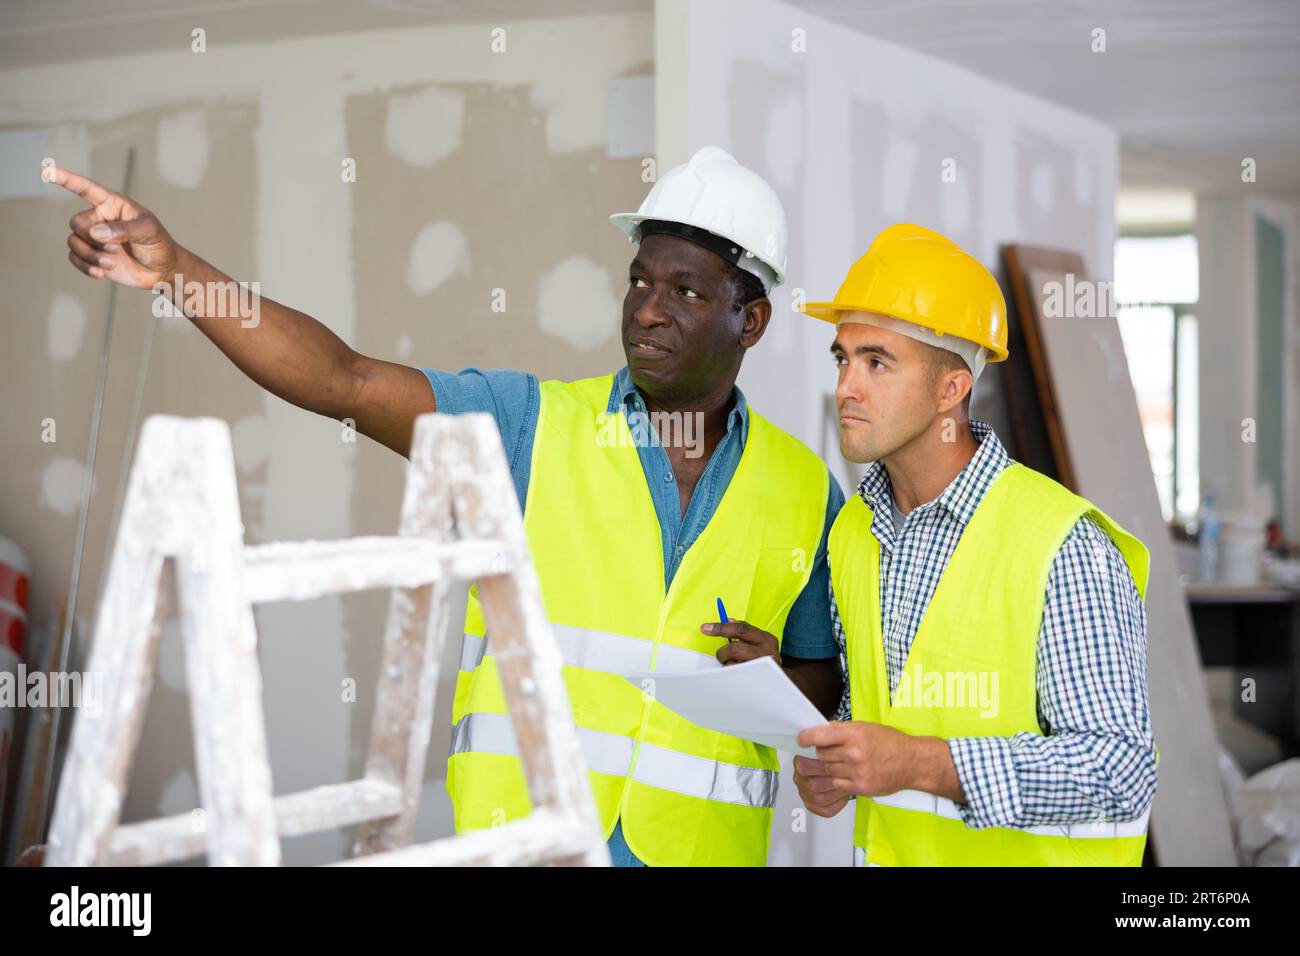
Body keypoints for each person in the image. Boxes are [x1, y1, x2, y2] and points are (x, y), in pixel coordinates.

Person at [49, 146, 844, 867]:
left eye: (684, 290)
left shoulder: (806, 490)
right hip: (524, 844)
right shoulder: (530, 425)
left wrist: (776, 681)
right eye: (639, 279)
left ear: (753, 320)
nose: (645, 309)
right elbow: (343, 381)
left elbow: (824, 682)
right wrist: (174, 269)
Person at [793, 223, 1158, 866]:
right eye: (842, 358)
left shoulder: (1063, 545)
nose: (847, 385)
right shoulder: (853, 531)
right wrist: (838, 769)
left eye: (877, 361)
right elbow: (878, 711)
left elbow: (1120, 770)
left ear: (951, 388)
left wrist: (922, 763)